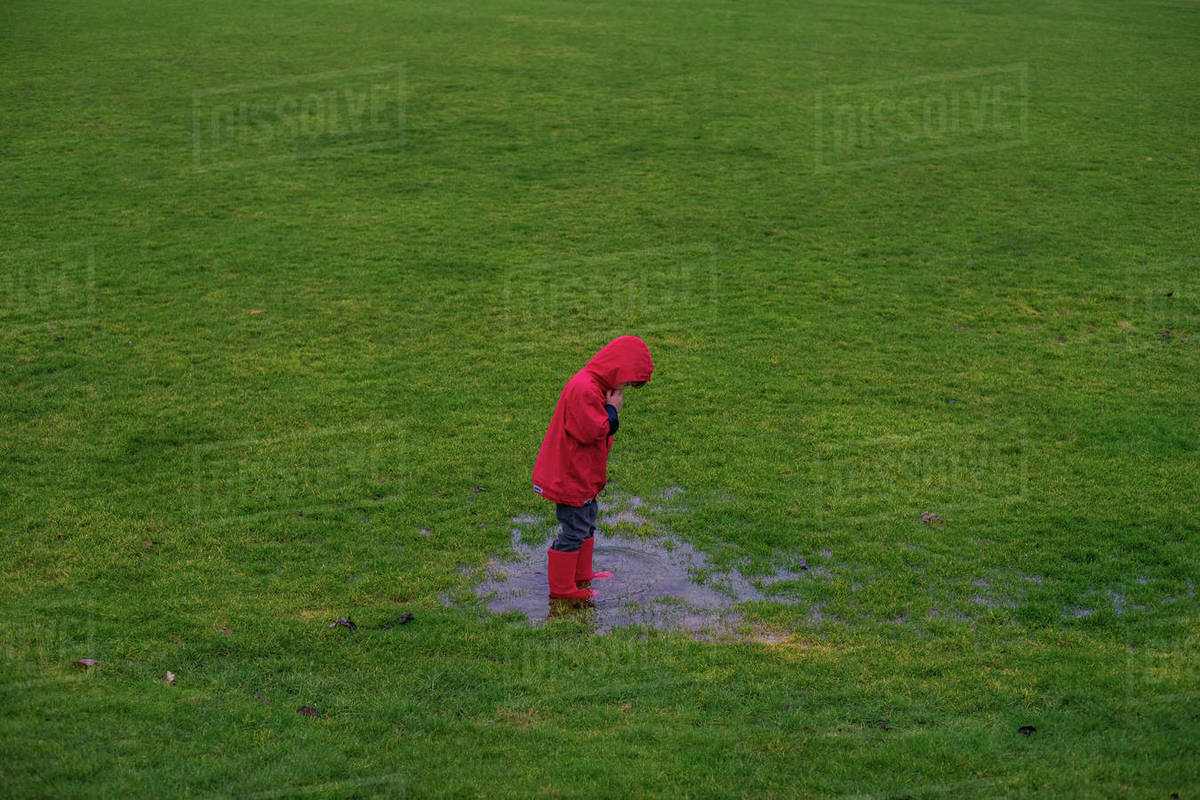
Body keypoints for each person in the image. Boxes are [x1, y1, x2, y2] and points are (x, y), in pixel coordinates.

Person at [532, 335, 653, 599]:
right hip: (571, 477)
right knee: (573, 530)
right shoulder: (585, 389)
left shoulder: (595, 386)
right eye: (627, 382)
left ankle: (582, 575)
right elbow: (592, 430)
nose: (624, 388)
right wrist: (613, 411)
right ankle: (563, 589)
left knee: (587, 523)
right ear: (618, 369)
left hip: (582, 475)